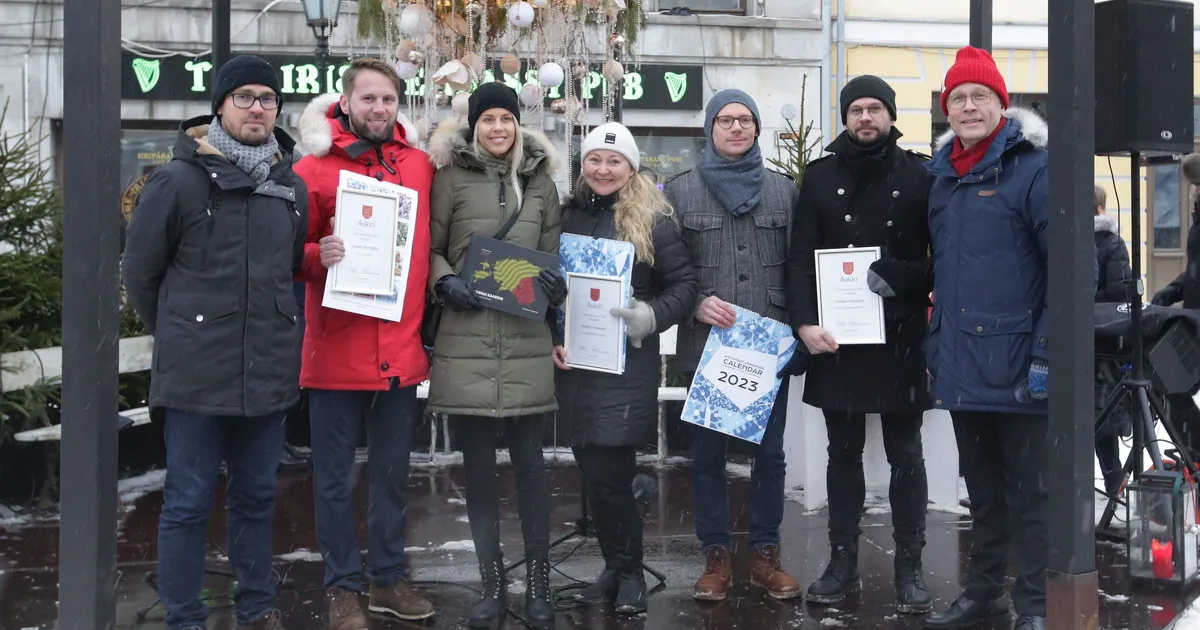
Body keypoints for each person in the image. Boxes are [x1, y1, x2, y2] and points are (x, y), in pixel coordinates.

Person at [122, 54, 305, 630]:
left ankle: (256, 607)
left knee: (256, 499)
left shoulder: (289, 186)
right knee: (188, 502)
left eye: (267, 98)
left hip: (266, 375)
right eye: (244, 96)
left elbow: (284, 269)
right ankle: (185, 617)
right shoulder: (176, 181)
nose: (257, 108)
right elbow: (140, 274)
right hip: (195, 379)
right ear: (220, 106)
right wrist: (183, 332)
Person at [292, 58, 435, 629]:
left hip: (400, 351)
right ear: (346, 102)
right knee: (334, 480)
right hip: (335, 351)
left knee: (392, 475)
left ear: (399, 106)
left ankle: (387, 580)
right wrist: (315, 255)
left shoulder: (420, 165)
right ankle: (342, 587)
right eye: (368, 98)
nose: (378, 108)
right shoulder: (311, 169)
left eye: (388, 99)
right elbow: (288, 252)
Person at [785, 75, 934, 613]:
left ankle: (910, 567)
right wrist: (804, 324)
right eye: (856, 109)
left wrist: (904, 275)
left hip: (900, 337)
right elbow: (801, 257)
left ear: (891, 116)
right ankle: (842, 561)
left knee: (907, 456)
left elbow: (941, 259)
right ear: (846, 117)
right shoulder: (820, 176)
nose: (865, 117)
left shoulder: (920, 175)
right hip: (837, 340)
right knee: (841, 453)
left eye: (875, 108)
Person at [425, 81, 565, 630]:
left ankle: (539, 586)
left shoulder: (540, 183)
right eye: (488, 120)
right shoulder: (449, 179)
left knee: (532, 474)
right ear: (474, 125)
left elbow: (552, 255)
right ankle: (491, 583)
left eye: (506, 118)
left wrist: (555, 285)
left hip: (526, 342)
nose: (498, 128)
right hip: (467, 342)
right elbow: (431, 247)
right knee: (480, 475)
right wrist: (445, 283)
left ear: (518, 124)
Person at [922, 46, 1050, 630]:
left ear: (1001, 104)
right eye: (958, 98)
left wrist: (1046, 353)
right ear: (947, 109)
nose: (969, 106)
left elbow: (1070, 271)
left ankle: (1036, 605)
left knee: (1031, 496)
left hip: (1021, 365)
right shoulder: (943, 177)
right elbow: (945, 269)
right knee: (984, 494)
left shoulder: (1034, 169)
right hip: (963, 363)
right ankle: (984, 595)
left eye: (980, 96)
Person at [665, 89, 805, 602]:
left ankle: (766, 553)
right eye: (726, 120)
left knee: (770, 456)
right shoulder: (680, 191)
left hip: (768, 346)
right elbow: (666, 270)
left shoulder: (783, 191)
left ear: (756, 129)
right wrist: (695, 303)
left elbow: (798, 268)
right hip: (709, 347)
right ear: (710, 128)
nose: (736, 128)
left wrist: (800, 332)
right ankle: (717, 555)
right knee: (708, 456)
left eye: (745, 120)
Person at [554, 123, 699, 614]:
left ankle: (630, 574)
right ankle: (615, 569)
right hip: (577, 364)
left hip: (625, 364)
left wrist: (650, 316)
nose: (603, 169)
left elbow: (684, 287)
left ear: (631, 168)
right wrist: (554, 335)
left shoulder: (653, 220)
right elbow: (553, 285)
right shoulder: (567, 216)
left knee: (609, 471)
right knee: (594, 474)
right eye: (594, 160)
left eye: (614, 161)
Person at [1093, 185, 1134, 497]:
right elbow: (1120, 294)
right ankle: (1113, 482)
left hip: (1084, 344)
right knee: (1103, 418)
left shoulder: (1066, 240)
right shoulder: (1113, 244)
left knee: (1096, 419)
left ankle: (1111, 482)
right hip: (1103, 347)